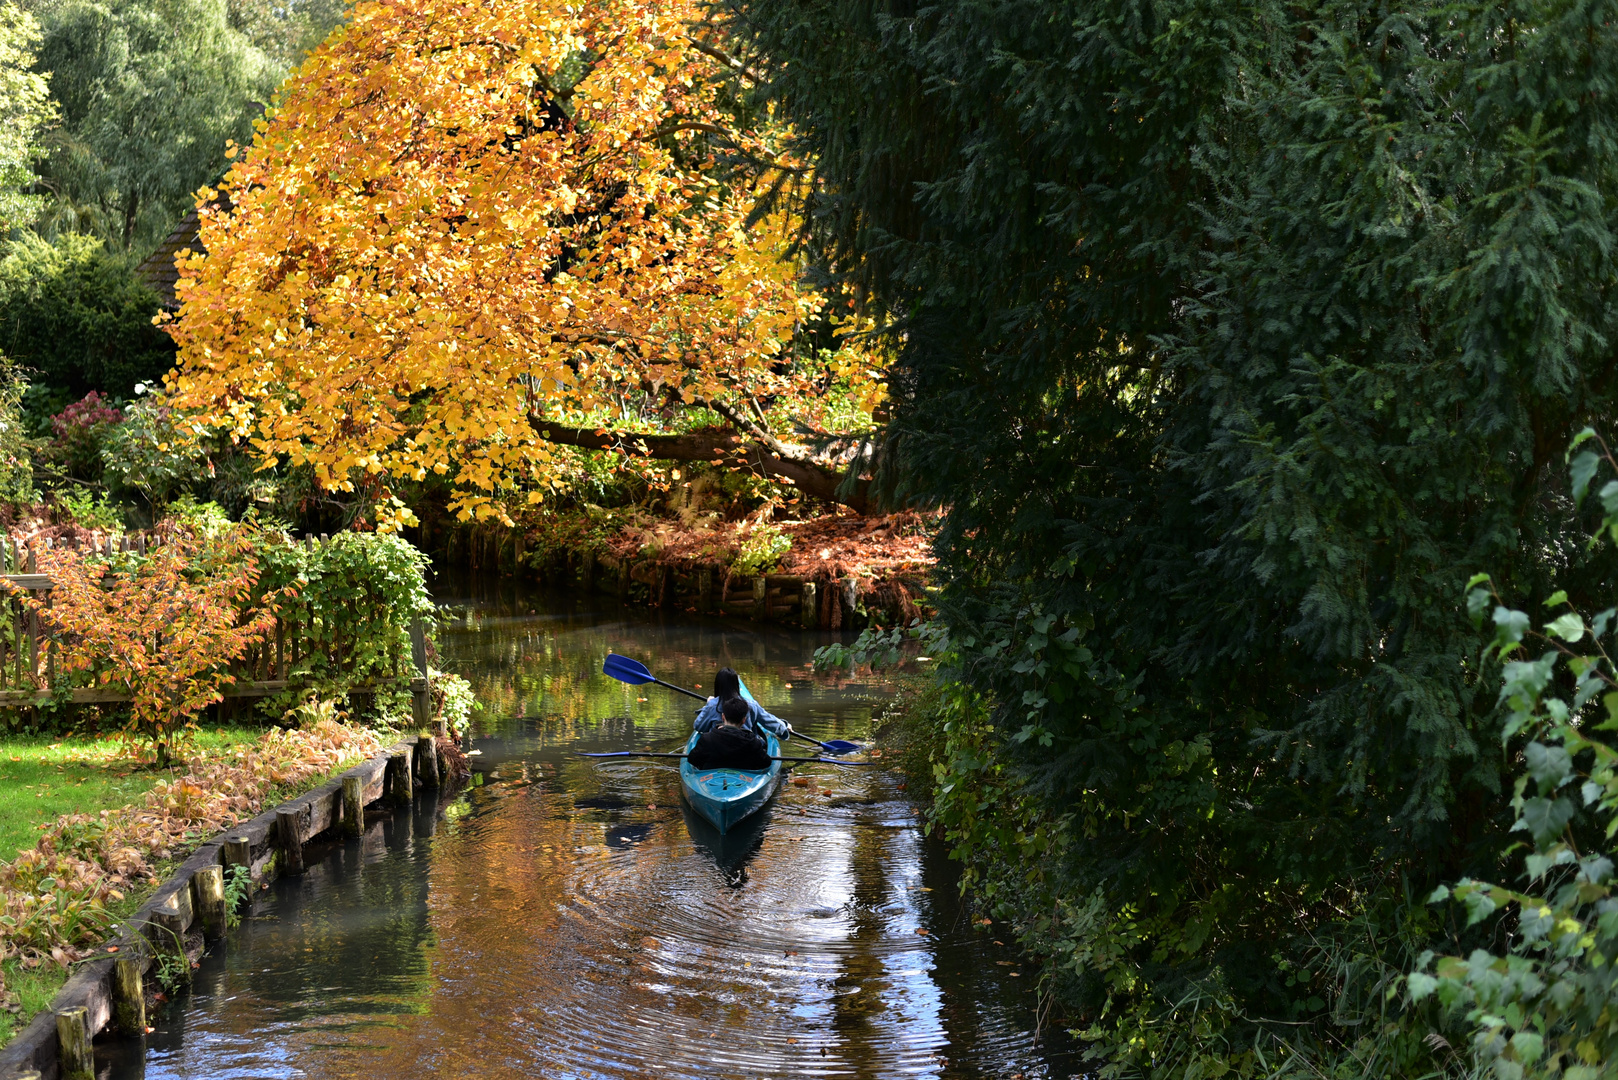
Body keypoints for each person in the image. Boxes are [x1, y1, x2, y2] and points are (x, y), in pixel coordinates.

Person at [693, 667, 793, 741]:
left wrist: (707, 705)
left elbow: (699, 726)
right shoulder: (751, 705)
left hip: (717, 747)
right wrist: (784, 726)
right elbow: (768, 721)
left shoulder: (712, 705)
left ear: (717, 685)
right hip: (745, 746)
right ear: (737, 684)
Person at [687, 694, 774, 770]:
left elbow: (692, 759)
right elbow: (766, 763)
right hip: (744, 780)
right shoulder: (752, 742)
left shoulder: (707, 739)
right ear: (744, 720)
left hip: (712, 778)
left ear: (723, 717)